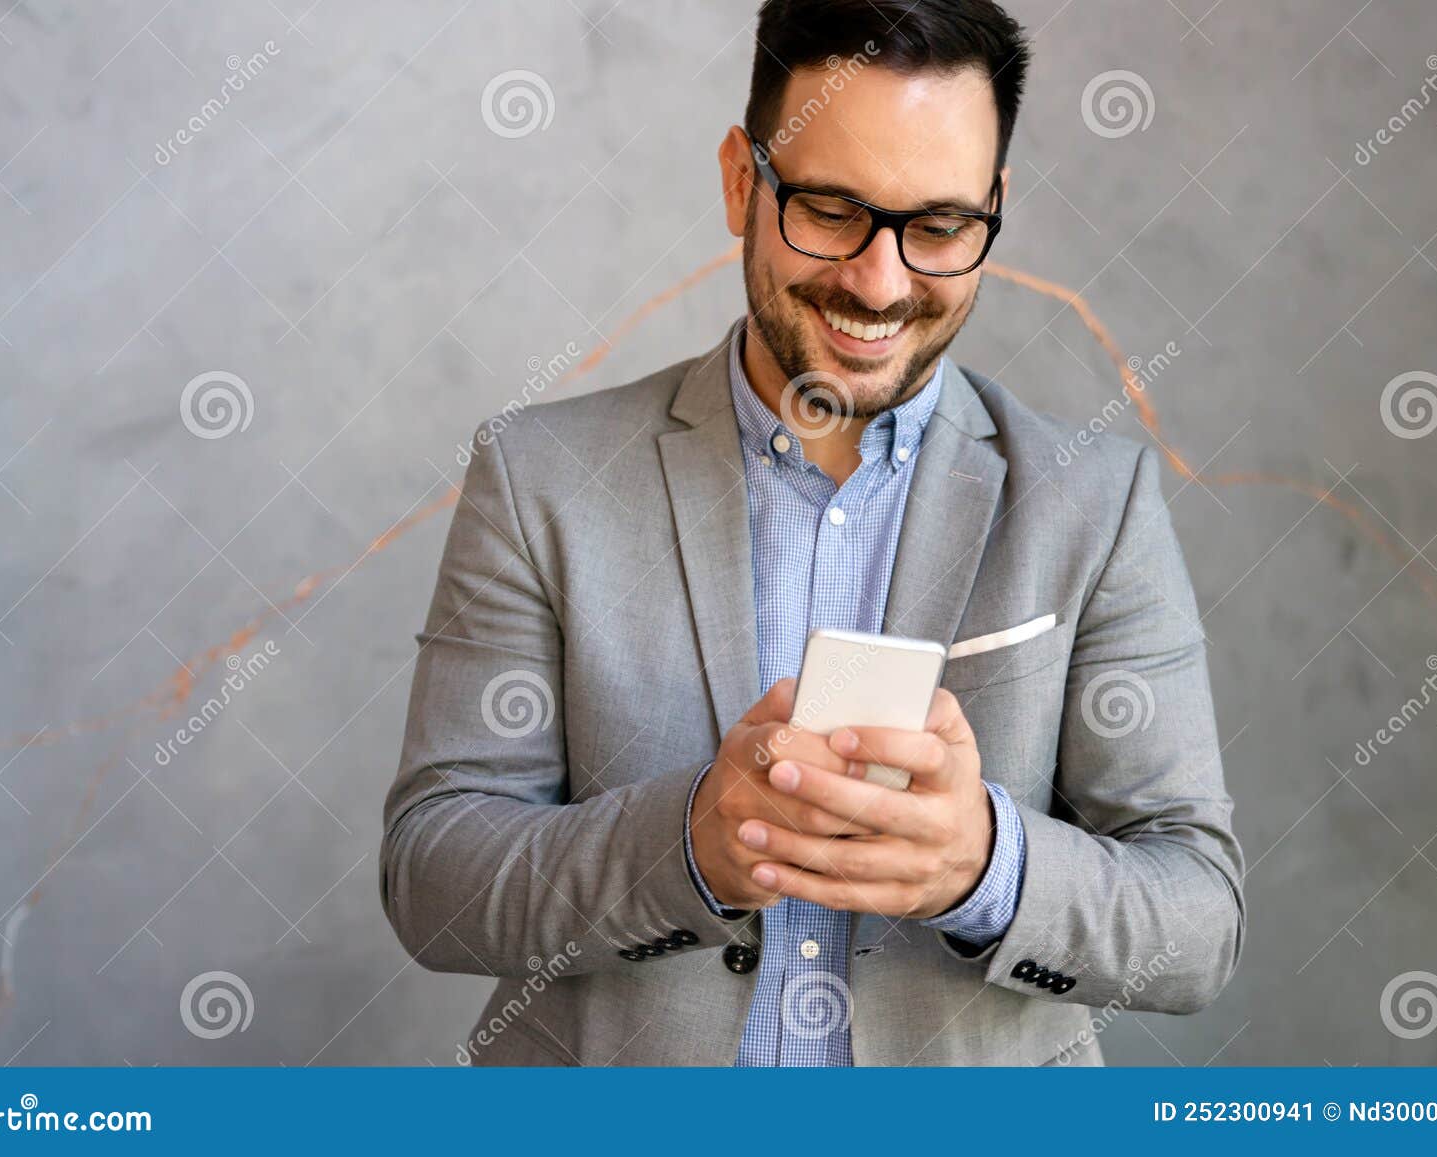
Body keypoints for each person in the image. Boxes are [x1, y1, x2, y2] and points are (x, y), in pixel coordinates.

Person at [380, 0, 1244, 1066]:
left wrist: (985, 866)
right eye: (830, 211)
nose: (879, 284)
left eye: (939, 227)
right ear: (741, 182)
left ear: (993, 209)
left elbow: (1199, 921)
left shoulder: (1096, 504)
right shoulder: (540, 477)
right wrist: (688, 847)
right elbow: (433, 876)